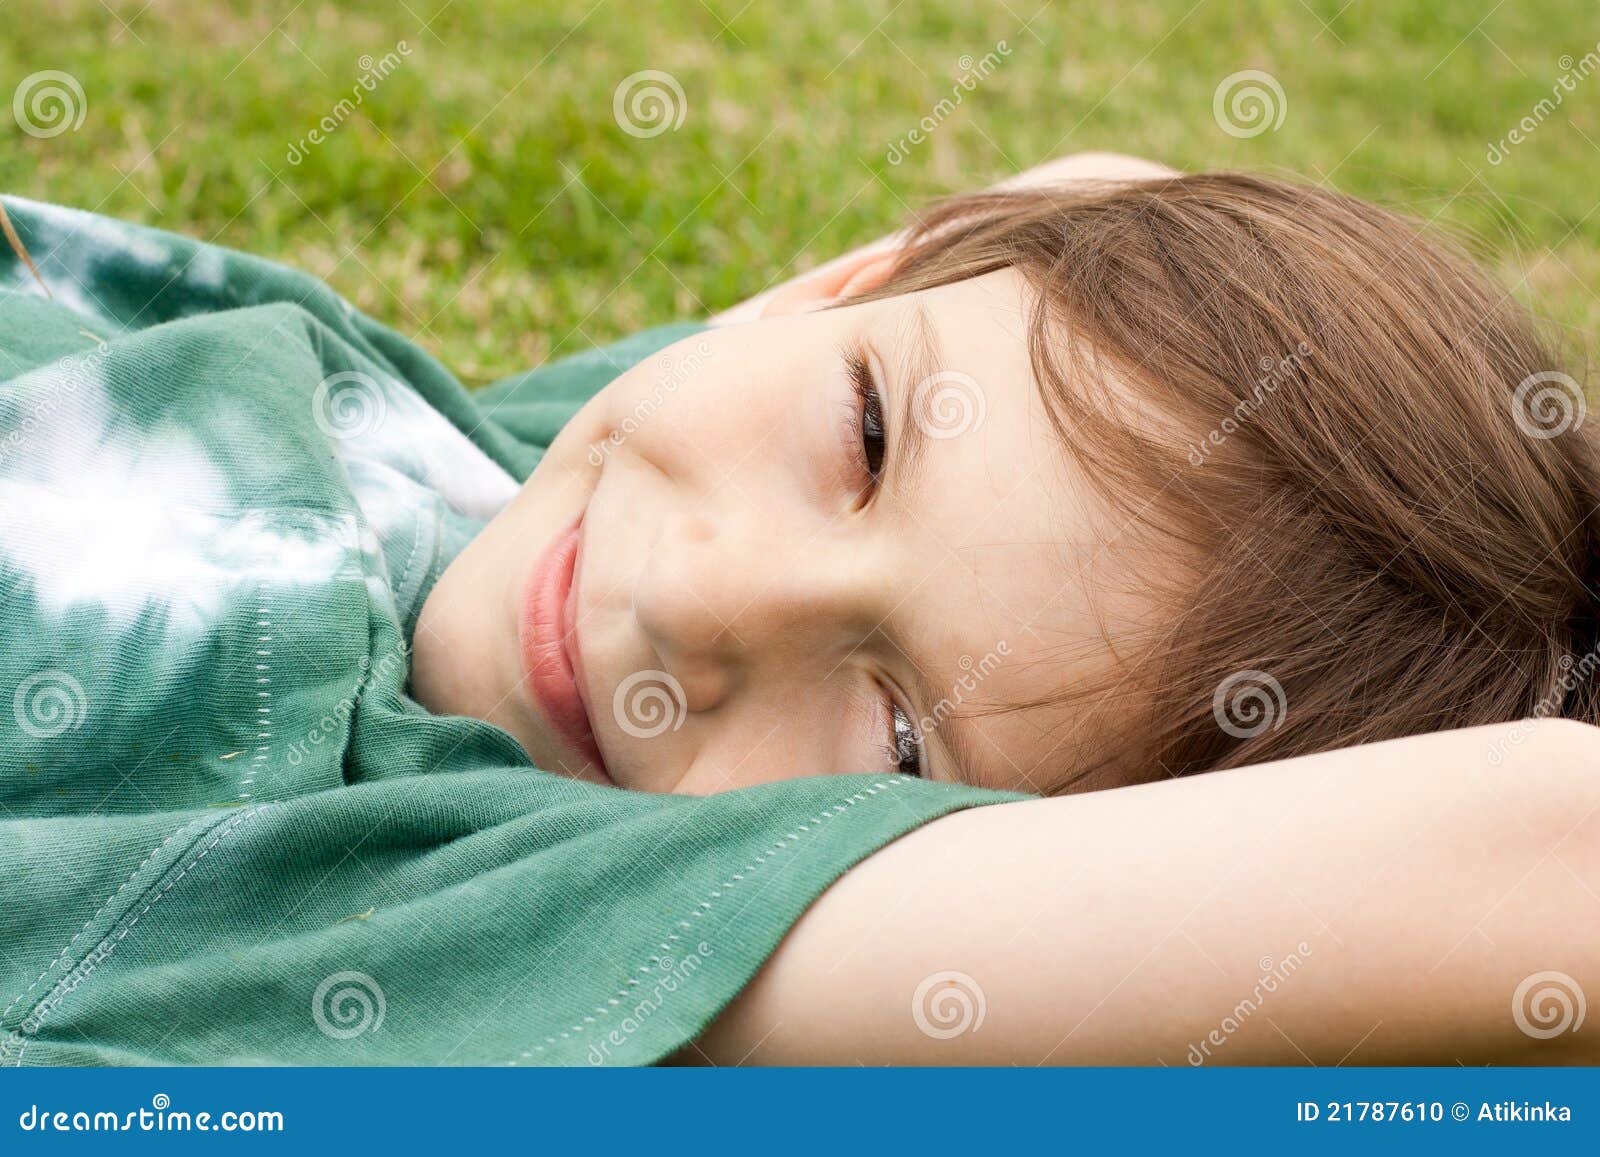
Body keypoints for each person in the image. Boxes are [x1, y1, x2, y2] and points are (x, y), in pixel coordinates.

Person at [0, 154, 1593, 1067]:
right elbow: (1085, 199)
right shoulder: (522, 462)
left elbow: (1548, 853)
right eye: (869, 437)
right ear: (829, 286)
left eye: (900, 739)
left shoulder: (448, 892)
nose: (698, 598)